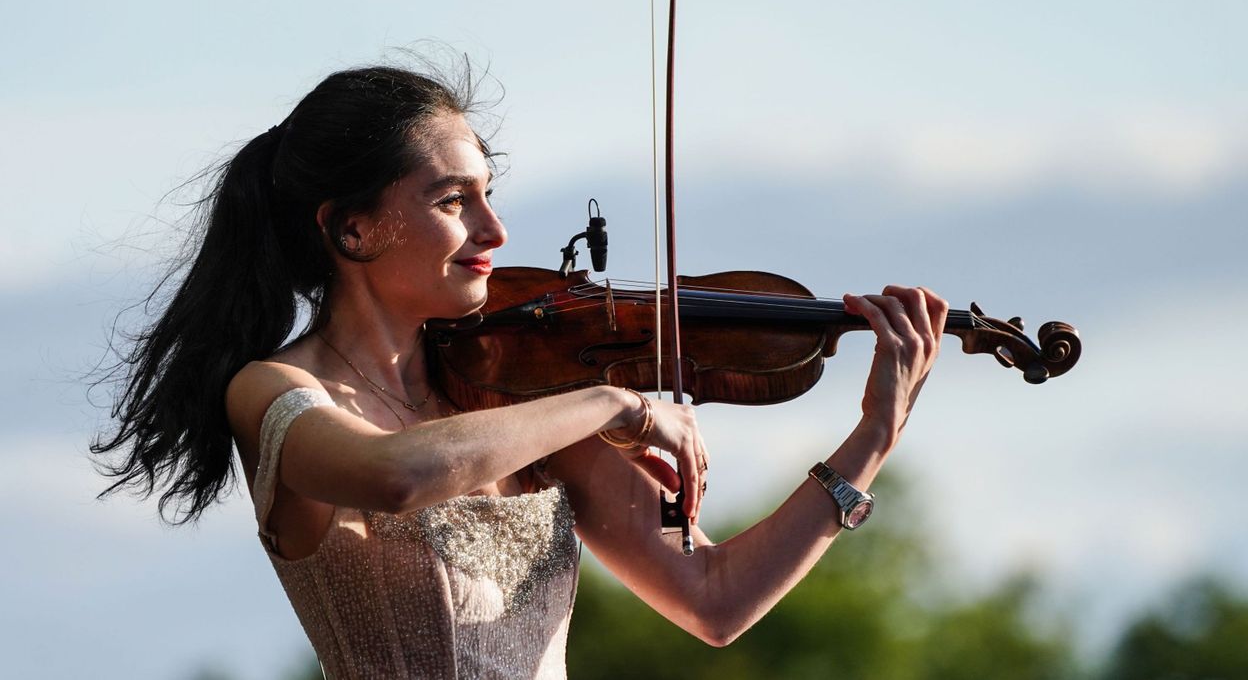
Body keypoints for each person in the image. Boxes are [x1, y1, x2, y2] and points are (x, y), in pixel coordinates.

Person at [92, 63, 948, 679]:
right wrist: (612, 399)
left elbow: (714, 597)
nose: (497, 232)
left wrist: (871, 439)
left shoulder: (514, 394)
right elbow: (400, 475)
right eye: (452, 200)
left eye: (488, 192)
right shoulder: (276, 392)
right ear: (351, 230)